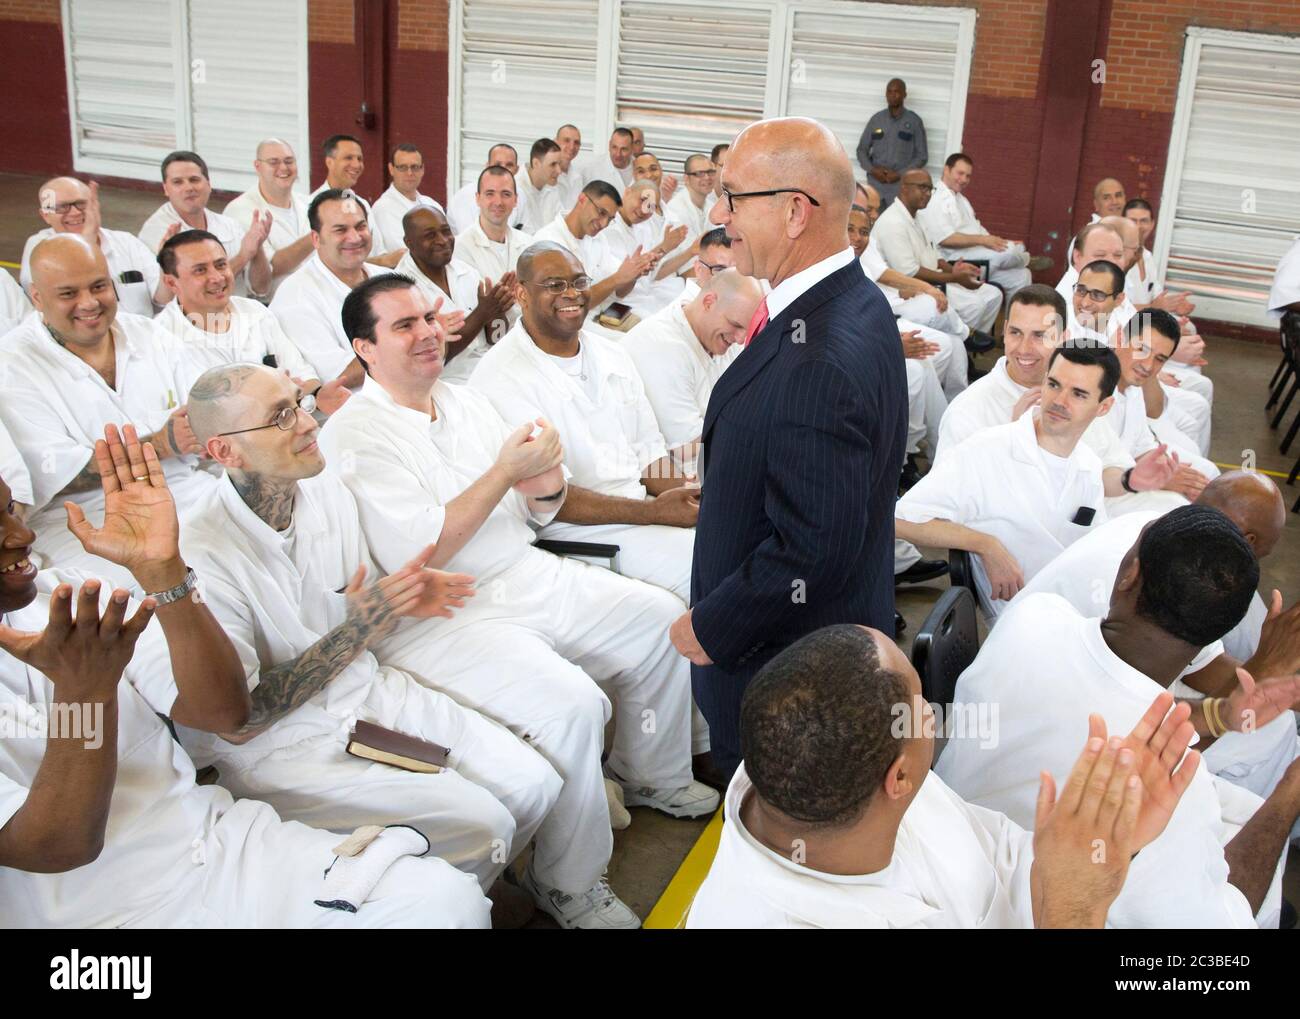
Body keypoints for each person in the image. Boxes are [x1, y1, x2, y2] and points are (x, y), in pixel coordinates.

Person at [319, 274, 718, 927]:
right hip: (438, 611)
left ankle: (651, 769)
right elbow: (423, 551)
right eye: (403, 325)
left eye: (427, 317)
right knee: (572, 704)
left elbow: (538, 509)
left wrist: (544, 476)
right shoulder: (359, 433)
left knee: (660, 621)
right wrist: (505, 470)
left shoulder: (465, 401)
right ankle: (567, 880)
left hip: (520, 570)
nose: (425, 333)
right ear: (363, 347)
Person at [0, 431, 491, 929]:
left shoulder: (58, 594)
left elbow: (222, 712)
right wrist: (85, 694)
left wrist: (166, 574)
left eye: (9, 512)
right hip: (103, 909)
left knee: (445, 902)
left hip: (212, 838)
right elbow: (57, 845)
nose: (22, 536)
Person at [181, 363, 560, 894]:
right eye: (282, 416)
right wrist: (360, 629)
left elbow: (358, 604)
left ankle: (480, 891)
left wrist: (399, 600)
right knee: (484, 823)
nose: (310, 422)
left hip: (362, 689)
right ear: (225, 452)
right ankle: (449, 901)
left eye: (300, 402)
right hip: (279, 751)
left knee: (534, 784)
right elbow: (241, 722)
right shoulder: (200, 554)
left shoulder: (325, 489)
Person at [687, 624, 1199, 928]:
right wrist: (1074, 912)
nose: (930, 714)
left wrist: (1102, 841)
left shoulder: (858, 782)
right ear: (899, 777)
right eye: (918, 709)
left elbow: (999, 856)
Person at [674, 117, 908, 778]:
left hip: (785, 675)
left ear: (796, 212)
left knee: (770, 830)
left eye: (734, 198)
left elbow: (812, 548)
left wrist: (713, 626)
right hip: (802, 648)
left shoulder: (823, 357)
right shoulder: (847, 302)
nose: (720, 216)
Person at [937, 506, 1300, 927]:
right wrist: (1289, 793)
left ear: (1128, 575)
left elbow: (1120, 701)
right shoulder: (1167, 794)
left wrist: (1220, 716)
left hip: (955, 849)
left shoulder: (1036, 615)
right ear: (1216, 636)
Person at [1013, 473, 1300, 812]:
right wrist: (1264, 671)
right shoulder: (1180, 583)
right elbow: (1143, 733)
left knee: (1265, 723)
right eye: (1259, 555)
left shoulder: (1161, 533)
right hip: (1075, 770)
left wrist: (1268, 683)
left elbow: (1202, 672)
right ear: (1249, 540)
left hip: (1058, 709)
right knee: (1265, 737)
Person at [468, 242, 698, 603]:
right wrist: (654, 512)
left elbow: (649, 452)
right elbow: (553, 502)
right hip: (574, 532)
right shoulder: (500, 376)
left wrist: (688, 498)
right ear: (521, 293)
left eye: (579, 281)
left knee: (737, 541)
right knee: (703, 569)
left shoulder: (611, 354)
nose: (572, 293)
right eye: (555, 285)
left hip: (640, 513)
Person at [0, 236, 213, 585]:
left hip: (188, 490)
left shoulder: (147, 333)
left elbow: (203, 403)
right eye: (68, 293)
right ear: (36, 297)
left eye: (99, 286)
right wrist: (160, 444)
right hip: (86, 521)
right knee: (185, 581)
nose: (89, 303)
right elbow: (60, 475)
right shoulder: (11, 365)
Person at [897, 342, 1118, 619]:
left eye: (1078, 394)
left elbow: (1092, 547)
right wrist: (985, 544)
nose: (1059, 401)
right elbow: (901, 520)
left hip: (1076, 606)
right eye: (1054, 384)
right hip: (1024, 619)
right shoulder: (988, 450)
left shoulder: (1088, 464)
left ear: (1103, 407)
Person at [934, 284, 1193, 515]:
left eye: (1039, 335)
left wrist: (1131, 479)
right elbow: (950, 500)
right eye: (1015, 333)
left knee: (1177, 509)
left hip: (1087, 513)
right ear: (1004, 331)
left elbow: (1104, 469)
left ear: (1063, 337)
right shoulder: (970, 409)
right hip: (1022, 529)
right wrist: (1015, 440)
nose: (1024, 348)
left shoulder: (1077, 390)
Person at [153, 230, 348, 413]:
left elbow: (304, 378)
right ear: (171, 283)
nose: (217, 277)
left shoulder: (255, 312)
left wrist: (317, 395)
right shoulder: (160, 339)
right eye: (200, 270)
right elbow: (192, 417)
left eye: (221, 265)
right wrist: (277, 395)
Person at [624, 268, 761, 453]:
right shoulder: (661, 347)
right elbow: (687, 447)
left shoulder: (721, 333)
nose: (740, 339)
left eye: (747, 328)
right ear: (708, 302)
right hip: (675, 470)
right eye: (736, 325)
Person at [269, 189, 387, 390]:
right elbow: (339, 378)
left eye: (361, 226)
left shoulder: (388, 278)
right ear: (316, 239)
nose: (354, 237)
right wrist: (404, 344)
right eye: (340, 230)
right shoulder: (295, 296)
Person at [873, 168, 1002, 340]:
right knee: (974, 305)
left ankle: (966, 345)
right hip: (911, 289)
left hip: (937, 280)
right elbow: (910, 272)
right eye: (922, 188)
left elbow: (935, 257)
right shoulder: (892, 222)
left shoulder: (919, 217)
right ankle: (962, 342)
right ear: (904, 188)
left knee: (993, 295)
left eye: (930, 189)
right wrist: (955, 278)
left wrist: (955, 270)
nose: (927, 194)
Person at [397, 205, 515, 383]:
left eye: (446, 231)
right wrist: (482, 312)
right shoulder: (401, 288)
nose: (443, 240)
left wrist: (497, 311)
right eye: (430, 235)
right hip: (447, 382)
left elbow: (497, 338)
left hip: (490, 370)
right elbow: (437, 355)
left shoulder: (466, 271)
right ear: (409, 243)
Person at [21, 178, 167, 317]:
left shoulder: (126, 241)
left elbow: (161, 300)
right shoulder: (39, 248)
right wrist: (87, 240)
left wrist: (166, 268)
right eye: (62, 207)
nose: (75, 212)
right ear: (46, 215)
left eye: (81, 203)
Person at [138, 151, 271, 298]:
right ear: (165, 189)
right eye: (178, 182)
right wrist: (243, 256)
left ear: (208, 184)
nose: (188, 188)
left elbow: (261, 289)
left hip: (238, 315)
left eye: (194, 180)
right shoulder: (157, 232)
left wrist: (257, 249)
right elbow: (174, 297)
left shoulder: (229, 224)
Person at [918, 152, 1045, 294]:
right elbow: (945, 239)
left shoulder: (961, 199)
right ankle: (1026, 260)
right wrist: (985, 241)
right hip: (955, 260)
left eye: (968, 176)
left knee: (1022, 275)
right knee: (1010, 251)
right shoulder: (936, 199)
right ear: (946, 170)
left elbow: (977, 229)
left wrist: (998, 241)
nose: (964, 179)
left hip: (978, 253)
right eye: (960, 173)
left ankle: (1015, 314)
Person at [533, 181, 656, 322]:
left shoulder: (598, 239)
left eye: (610, 219)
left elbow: (619, 292)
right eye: (601, 212)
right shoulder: (548, 242)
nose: (604, 224)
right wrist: (617, 278)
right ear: (582, 199)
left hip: (601, 317)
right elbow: (570, 304)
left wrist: (633, 274)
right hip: (569, 326)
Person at [222, 138, 315, 294]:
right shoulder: (240, 210)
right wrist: (319, 232)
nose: (283, 168)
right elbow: (272, 270)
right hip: (273, 304)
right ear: (258, 166)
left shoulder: (308, 203)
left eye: (289, 161)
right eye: (274, 162)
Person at [452, 166, 533, 320]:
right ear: (477, 198)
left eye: (506, 194)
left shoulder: (528, 245)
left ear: (516, 200)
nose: (498, 202)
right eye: (490, 194)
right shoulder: (459, 248)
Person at [856, 78, 928, 208]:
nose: (892, 95)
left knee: (895, 225)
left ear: (904, 94)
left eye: (897, 92)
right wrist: (872, 170)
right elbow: (861, 150)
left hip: (900, 187)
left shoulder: (914, 122)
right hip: (875, 185)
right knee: (872, 224)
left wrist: (900, 174)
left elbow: (922, 156)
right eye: (889, 92)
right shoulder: (876, 120)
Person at [370, 143, 444, 253]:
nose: (409, 173)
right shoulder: (384, 208)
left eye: (415, 167)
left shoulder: (432, 204)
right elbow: (402, 251)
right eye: (402, 167)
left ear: (422, 169)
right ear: (391, 169)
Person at [446, 144, 520, 235]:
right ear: (487, 166)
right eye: (497, 164)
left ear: (517, 170)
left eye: (509, 165)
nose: (503, 168)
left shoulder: (521, 194)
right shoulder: (464, 197)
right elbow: (471, 239)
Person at [514, 138, 564, 235]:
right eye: (553, 164)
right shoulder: (515, 190)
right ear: (536, 163)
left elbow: (561, 226)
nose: (559, 171)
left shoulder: (552, 187)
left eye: (559, 164)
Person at [665, 154, 718, 239]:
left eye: (710, 172)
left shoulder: (712, 207)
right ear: (686, 179)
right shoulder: (675, 210)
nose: (707, 177)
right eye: (700, 173)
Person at [582, 128, 636, 192]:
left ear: (632, 148)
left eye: (623, 149)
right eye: (614, 147)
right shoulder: (592, 169)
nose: (618, 154)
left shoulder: (641, 166)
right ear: (609, 145)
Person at [554, 124, 585, 208]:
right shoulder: (547, 174)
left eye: (576, 143)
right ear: (555, 142)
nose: (572, 147)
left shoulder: (578, 178)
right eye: (566, 140)